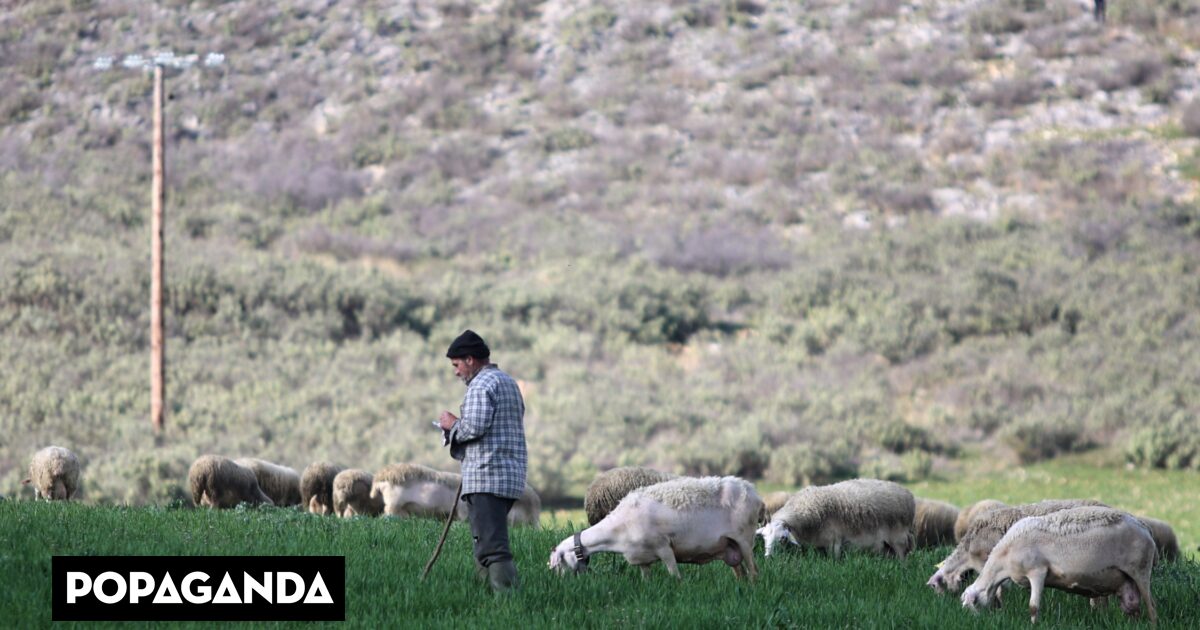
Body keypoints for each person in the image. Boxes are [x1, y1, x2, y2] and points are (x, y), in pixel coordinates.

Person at [437, 329, 527, 593]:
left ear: (470, 360)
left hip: (486, 476)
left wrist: (452, 424)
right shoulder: (508, 382)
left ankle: (508, 601)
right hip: (508, 475)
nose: (455, 372)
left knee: (493, 546)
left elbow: (473, 428)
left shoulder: (481, 385)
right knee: (484, 541)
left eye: (456, 365)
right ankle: (483, 598)